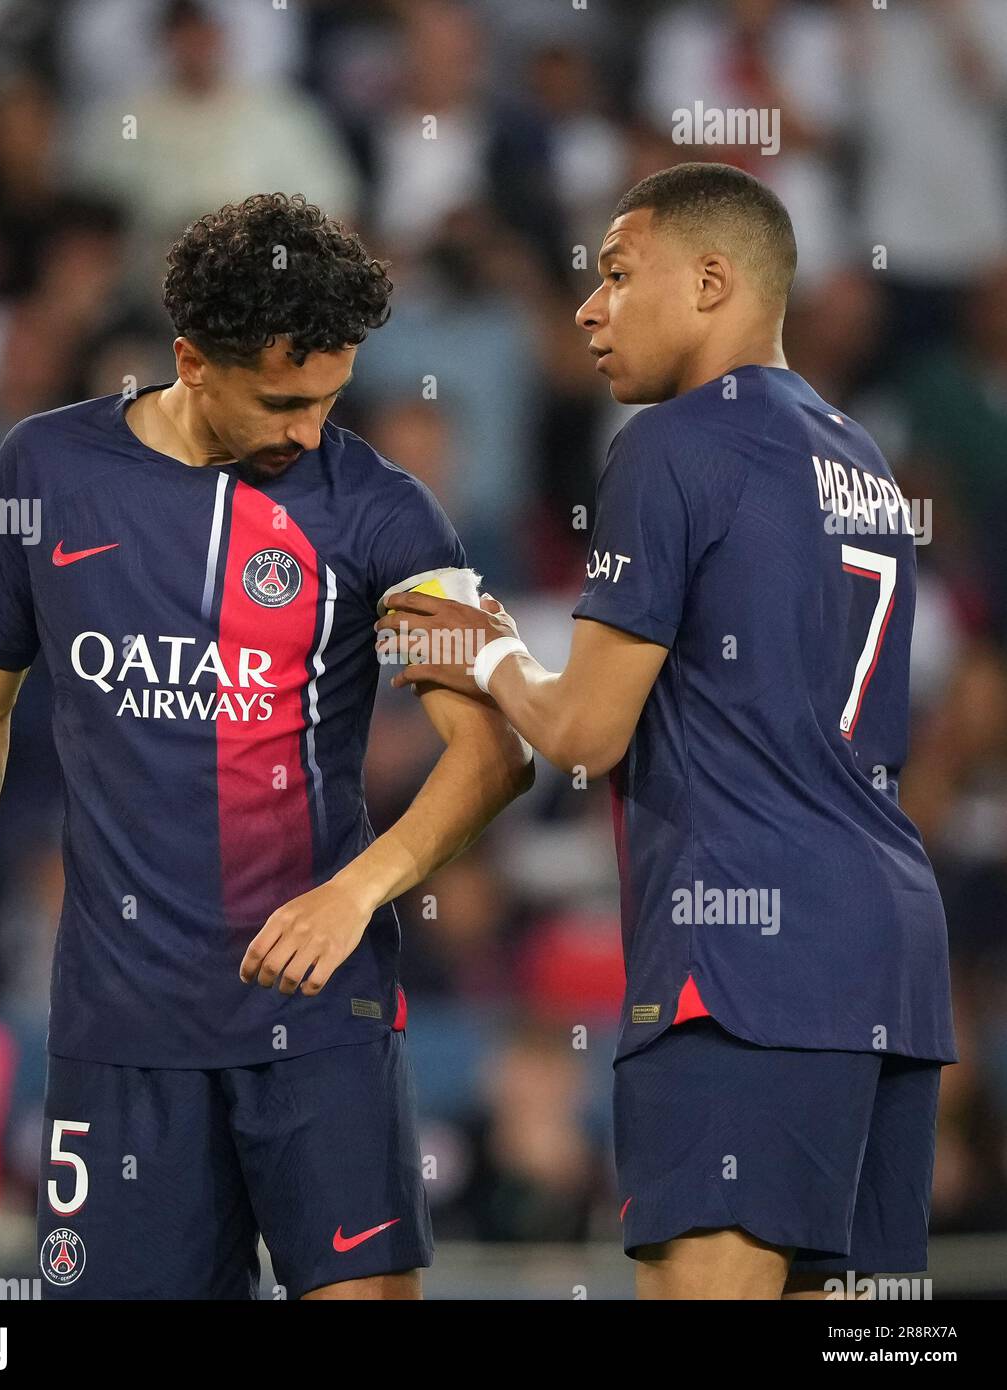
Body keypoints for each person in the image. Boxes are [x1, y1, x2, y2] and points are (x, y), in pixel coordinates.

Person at [0, 192, 532, 1301]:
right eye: (283, 402)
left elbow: (493, 754)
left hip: (321, 1021)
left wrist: (356, 892)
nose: (309, 430)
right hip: (121, 1030)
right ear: (191, 360)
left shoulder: (383, 512)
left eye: (331, 399)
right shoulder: (47, 470)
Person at [378, 163, 957, 1300]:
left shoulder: (675, 442)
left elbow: (585, 731)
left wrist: (484, 648)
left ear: (708, 281)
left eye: (615, 273)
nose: (587, 308)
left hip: (744, 961)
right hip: (891, 957)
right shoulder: (860, 457)